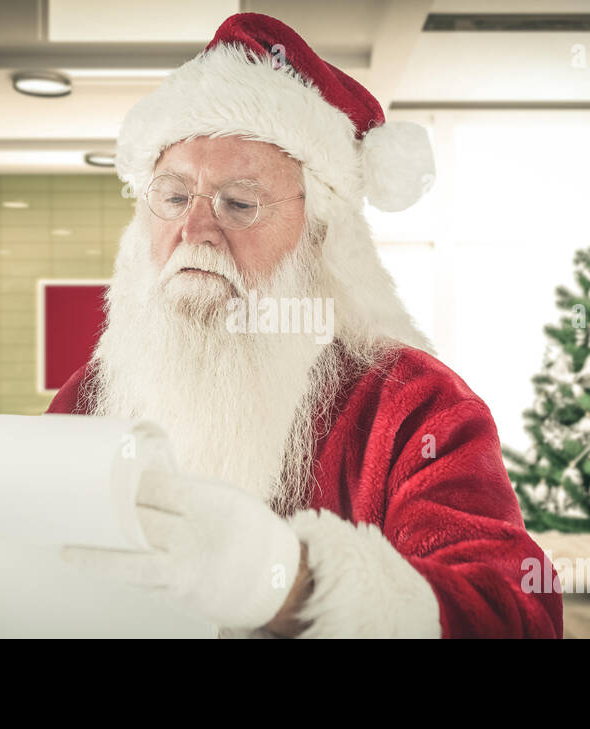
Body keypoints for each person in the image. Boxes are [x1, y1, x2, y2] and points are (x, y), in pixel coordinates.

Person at [51, 12, 563, 639]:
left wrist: (292, 584)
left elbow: (519, 614)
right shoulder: (90, 395)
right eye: (175, 196)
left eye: (239, 203)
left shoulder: (415, 408)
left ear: (320, 237)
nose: (195, 231)